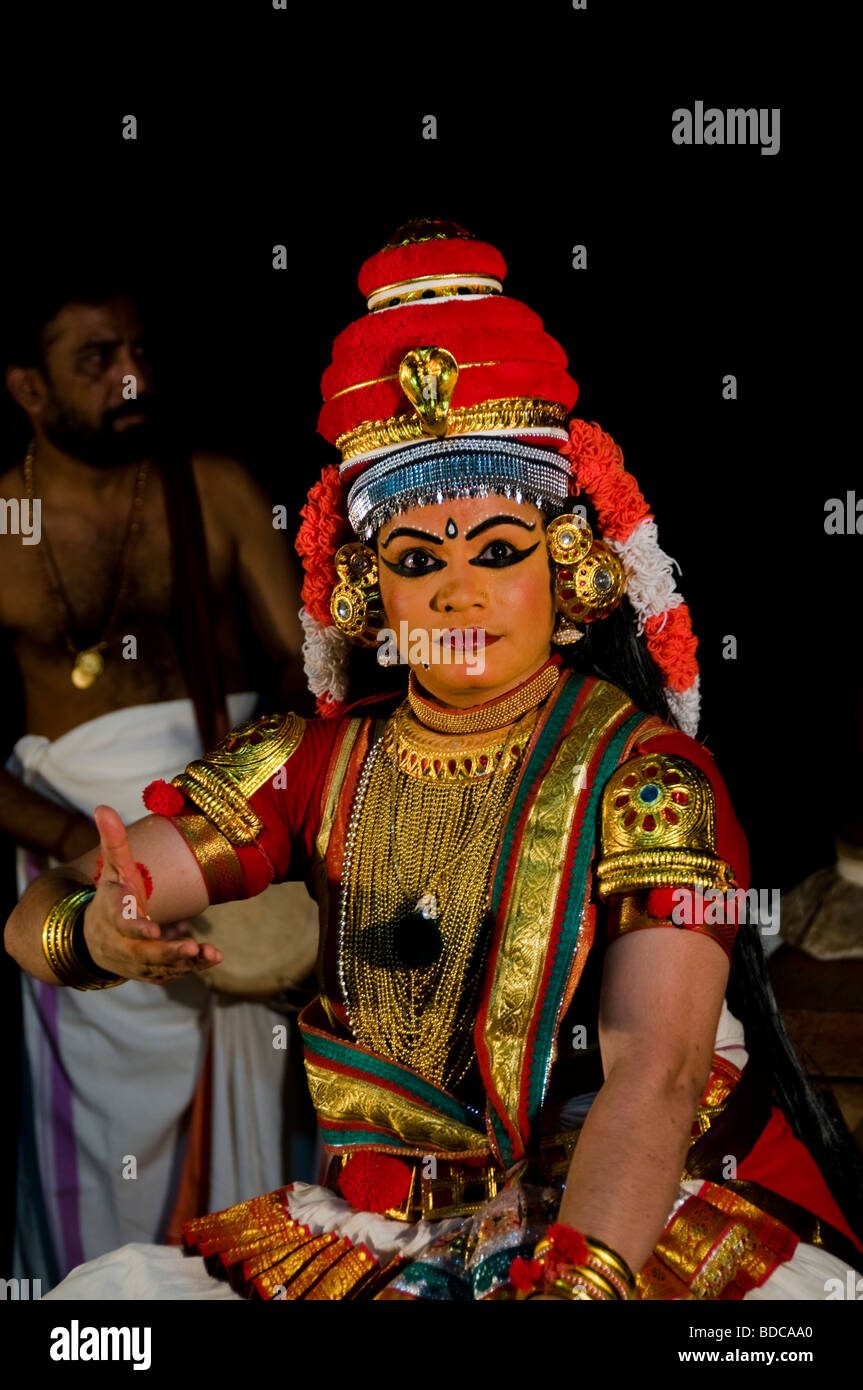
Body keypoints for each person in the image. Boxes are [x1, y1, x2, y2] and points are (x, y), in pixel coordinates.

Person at [7, 218, 863, 1301]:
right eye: (417, 560)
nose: (457, 591)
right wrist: (98, 931)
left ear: (569, 576)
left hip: (634, 1215)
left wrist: (571, 1288)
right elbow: (45, 917)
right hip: (397, 1237)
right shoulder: (319, 761)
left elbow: (657, 1068)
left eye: (498, 551)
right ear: (371, 596)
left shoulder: (645, 778)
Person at [0, 272, 316, 1290]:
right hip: (79, 853)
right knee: (103, 1172)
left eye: (138, 350)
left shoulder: (212, 486)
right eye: (96, 359)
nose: (132, 375)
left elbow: (303, 667)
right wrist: (75, 848)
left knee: (256, 1155)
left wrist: (254, 786)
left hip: (228, 841)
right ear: (29, 391)